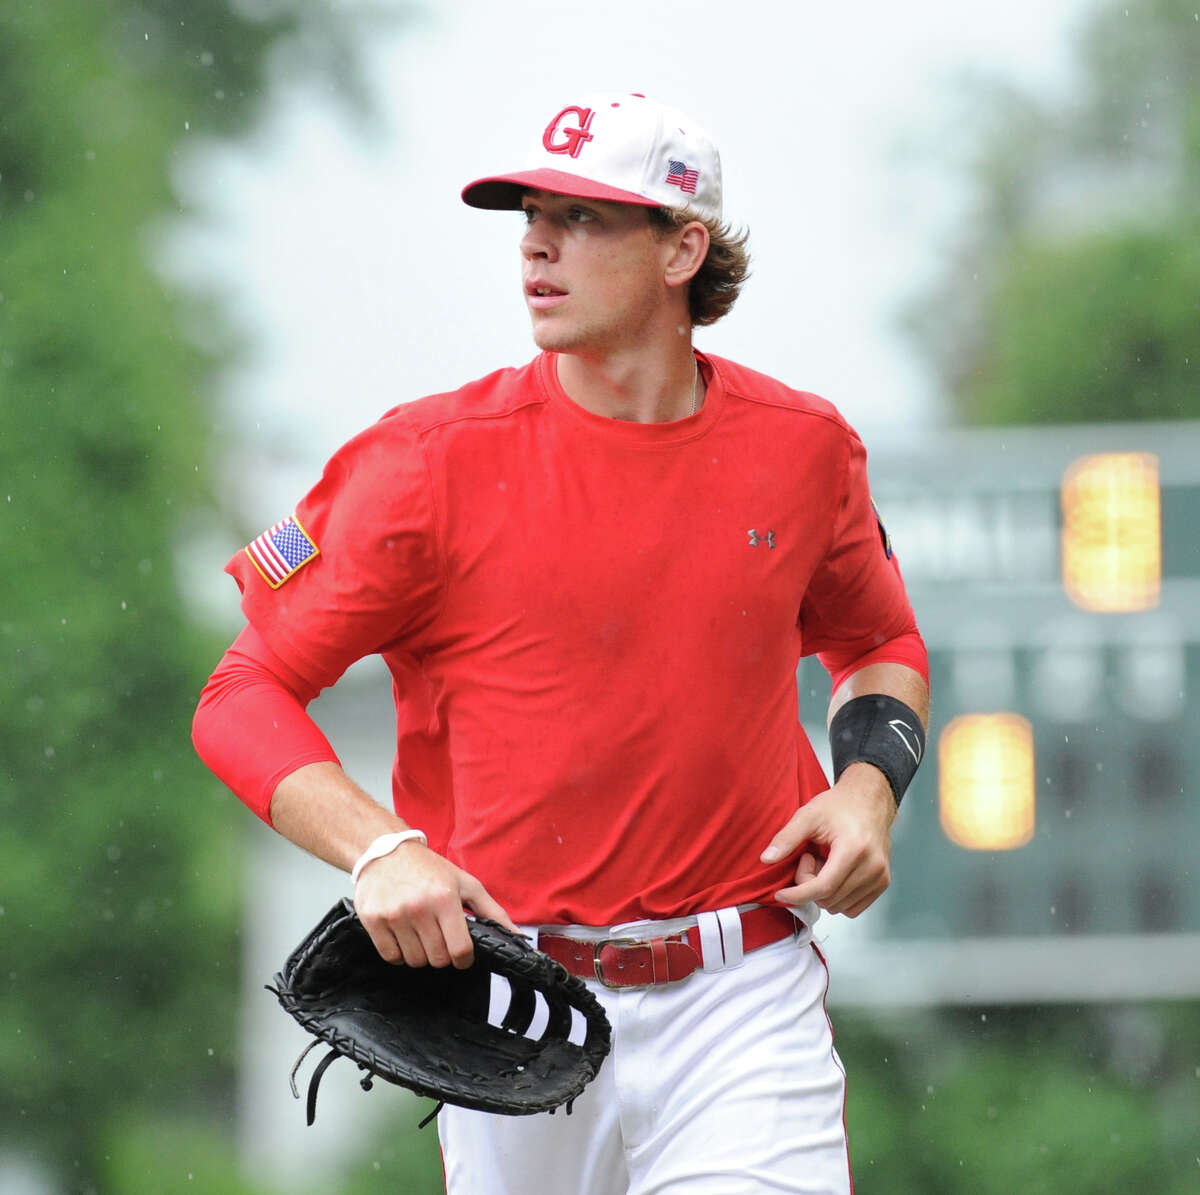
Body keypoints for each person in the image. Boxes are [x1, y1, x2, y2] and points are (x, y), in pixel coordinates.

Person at [193, 92, 930, 1195]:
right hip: (512, 1006)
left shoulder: (804, 448)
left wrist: (870, 788)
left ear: (683, 249)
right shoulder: (424, 463)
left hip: (743, 996)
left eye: (583, 217)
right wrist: (380, 848)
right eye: (531, 215)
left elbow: (879, 640)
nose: (537, 243)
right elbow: (241, 693)